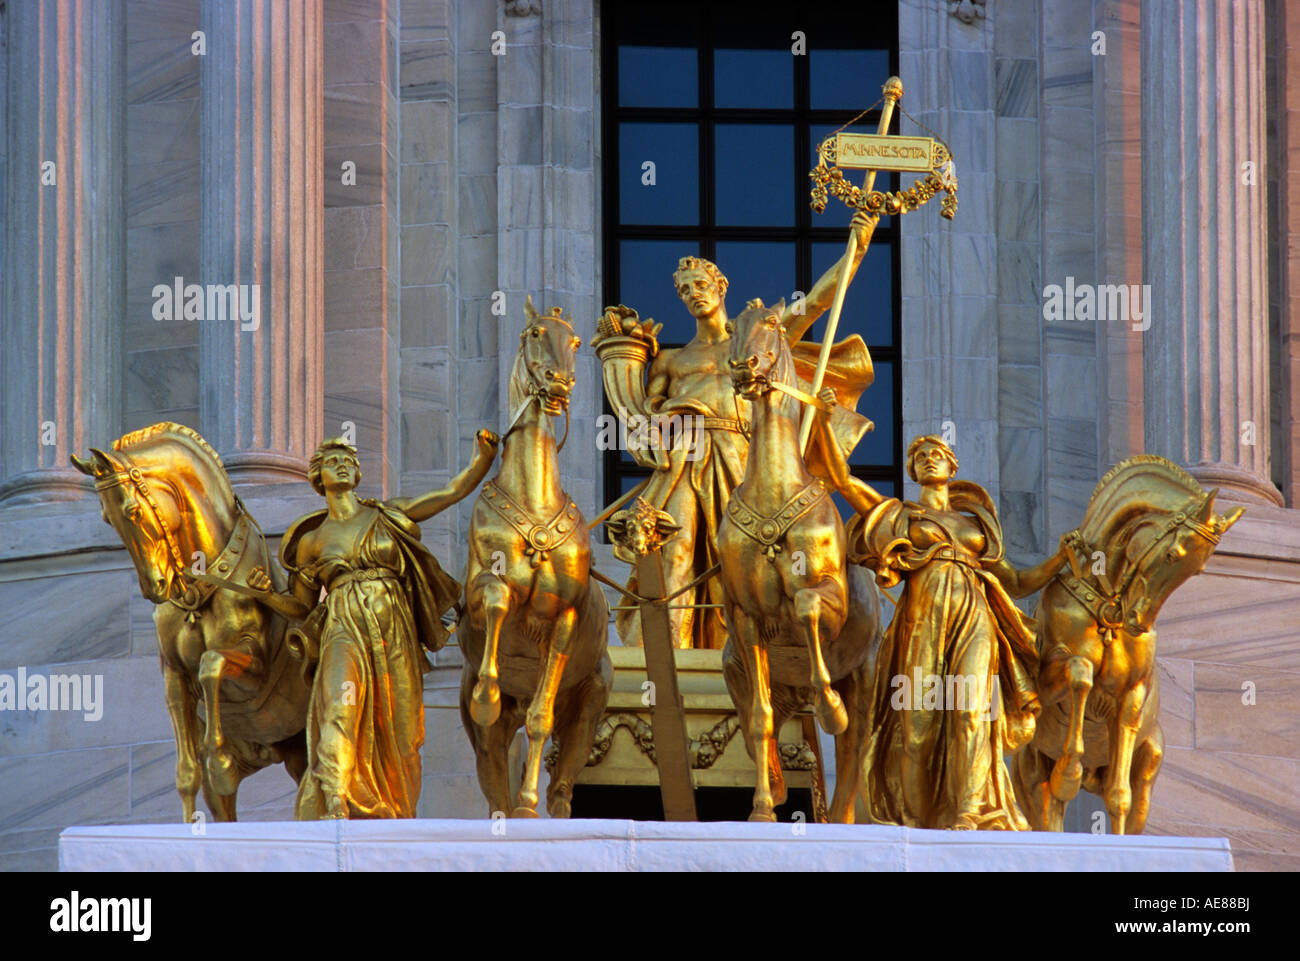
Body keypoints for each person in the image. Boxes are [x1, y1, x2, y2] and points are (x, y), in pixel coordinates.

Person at [597, 211, 876, 649]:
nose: (692, 294)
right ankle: (674, 657)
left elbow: (819, 300)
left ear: (721, 287)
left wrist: (856, 250)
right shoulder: (671, 361)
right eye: (683, 290)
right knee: (676, 550)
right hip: (687, 464)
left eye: (700, 285)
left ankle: (746, 653)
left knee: (743, 565)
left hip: (746, 460)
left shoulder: (759, 335)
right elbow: (645, 423)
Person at [810, 391, 1075, 829]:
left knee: (972, 710)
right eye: (920, 455)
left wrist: (1059, 560)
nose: (929, 458)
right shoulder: (899, 514)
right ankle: (913, 819)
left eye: (938, 453)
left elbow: (1014, 582)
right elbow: (841, 479)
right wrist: (822, 418)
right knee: (917, 721)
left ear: (952, 468)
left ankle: (970, 811)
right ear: (912, 471)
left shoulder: (975, 526)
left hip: (974, 614)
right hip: (922, 616)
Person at [248, 431, 498, 819]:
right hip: (343, 624)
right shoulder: (312, 541)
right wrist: (265, 595)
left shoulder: (387, 514)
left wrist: (480, 461)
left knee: (404, 729)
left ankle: (397, 812)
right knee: (339, 706)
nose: (343, 465)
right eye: (333, 461)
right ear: (318, 478)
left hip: (392, 624)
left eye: (348, 460)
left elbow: (448, 493)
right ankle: (335, 800)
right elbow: (300, 605)